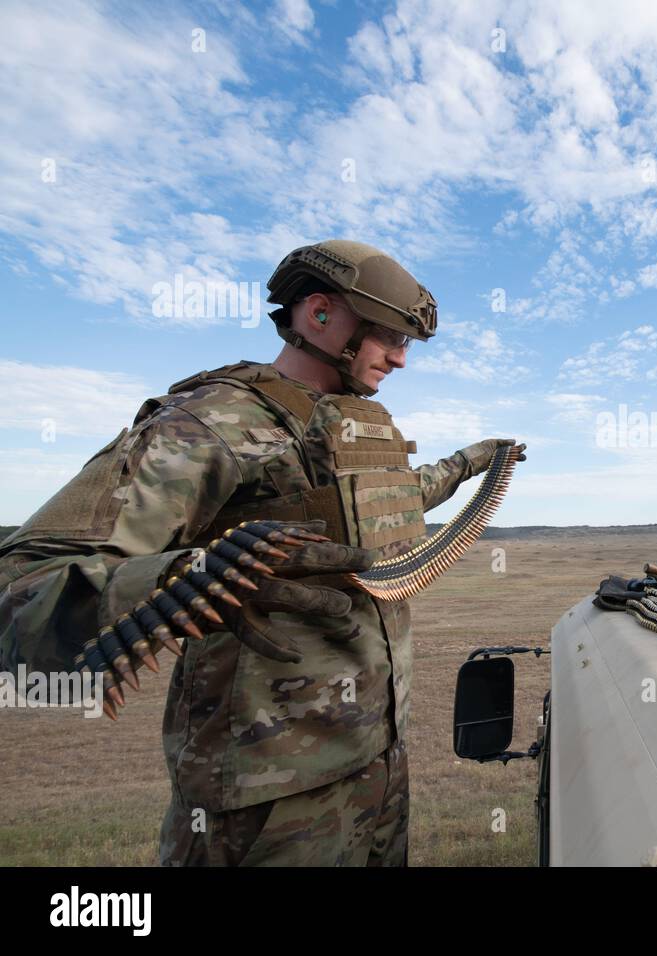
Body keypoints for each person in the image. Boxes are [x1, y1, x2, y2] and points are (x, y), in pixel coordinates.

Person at [0, 239, 524, 865]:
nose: (401, 360)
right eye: (389, 335)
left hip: (378, 763)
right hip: (262, 798)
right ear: (320, 314)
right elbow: (21, 588)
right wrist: (189, 577)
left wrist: (473, 462)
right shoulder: (213, 420)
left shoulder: (356, 427)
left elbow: (397, 496)